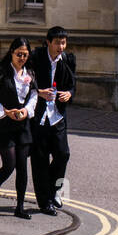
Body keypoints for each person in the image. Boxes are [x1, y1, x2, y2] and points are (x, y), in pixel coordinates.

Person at [0, 37, 37, 219]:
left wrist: (26, 110)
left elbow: (33, 95)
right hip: (4, 124)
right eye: (19, 54)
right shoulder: (1, 72)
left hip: (22, 124)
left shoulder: (29, 73)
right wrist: (4, 112)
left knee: (23, 167)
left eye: (25, 55)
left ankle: (20, 207)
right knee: (10, 165)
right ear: (12, 53)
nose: (22, 58)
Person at [29, 26, 76, 216]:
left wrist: (69, 94)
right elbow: (25, 81)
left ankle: (54, 190)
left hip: (57, 116)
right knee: (39, 160)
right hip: (39, 117)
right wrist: (39, 92)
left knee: (63, 154)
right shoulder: (36, 57)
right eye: (57, 43)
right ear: (48, 42)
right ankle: (45, 201)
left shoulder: (68, 60)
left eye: (63, 43)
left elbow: (73, 85)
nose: (61, 47)